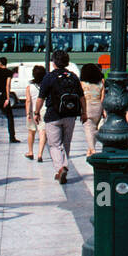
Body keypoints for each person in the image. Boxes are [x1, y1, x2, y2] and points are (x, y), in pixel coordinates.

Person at [35, 49, 87, 184]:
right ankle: (64, 166)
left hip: (53, 115)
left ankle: (60, 168)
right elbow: (82, 97)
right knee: (66, 143)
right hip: (70, 115)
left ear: (53, 63)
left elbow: (40, 98)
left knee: (54, 145)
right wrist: (84, 112)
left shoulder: (49, 77)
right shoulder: (73, 76)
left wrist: (36, 112)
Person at [79, 63, 105, 156]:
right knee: (94, 129)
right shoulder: (101, 83)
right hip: (98, 106)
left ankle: (92, 149)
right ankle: (90, 150)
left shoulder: (82, 84)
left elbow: (80, 97)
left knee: (88, 129)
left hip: (87, 106)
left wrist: (82, 110)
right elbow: (102, 98)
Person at [24, 65, 47, 162]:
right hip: (44, 110)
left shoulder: (30, 86)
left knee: (31, 132)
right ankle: (40, 154)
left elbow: (28, 101)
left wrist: (28, 114)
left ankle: (30, 152)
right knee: (42, 133)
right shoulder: (47, 85)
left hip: (33, 111)